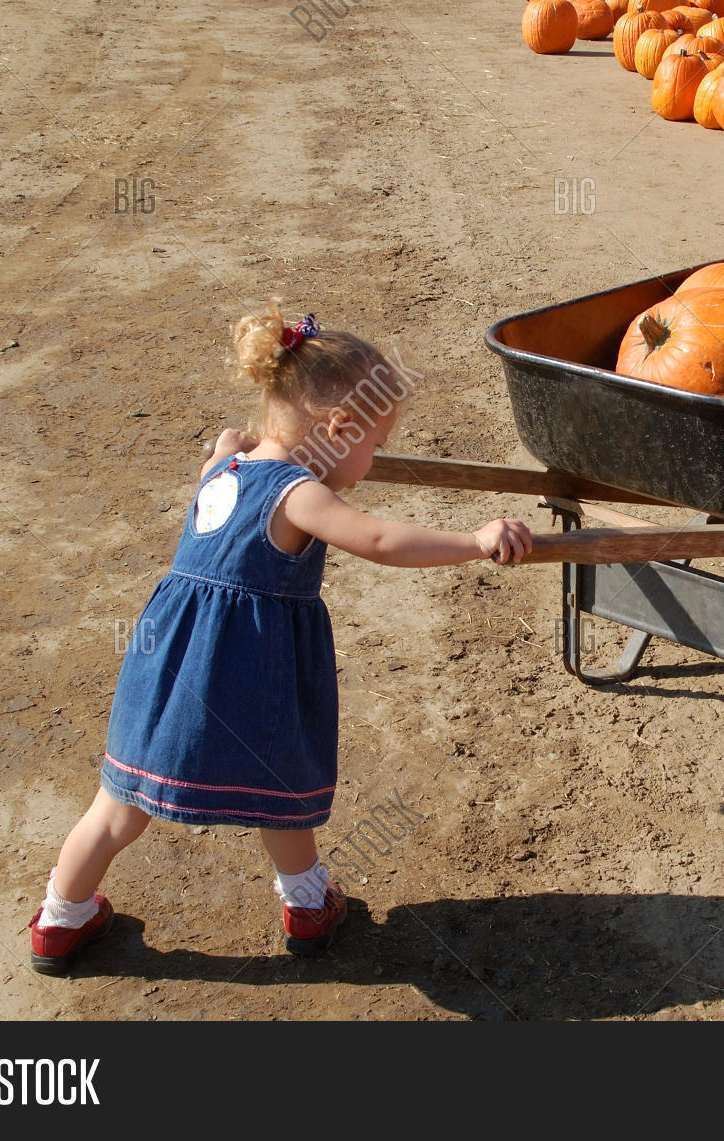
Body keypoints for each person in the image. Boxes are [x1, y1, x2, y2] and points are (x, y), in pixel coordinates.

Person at [27, 304, 532, 974]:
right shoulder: (299, 494)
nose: (373, 459)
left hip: (167, 667)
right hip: (248, 675)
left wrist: (225, 447)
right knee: (283, 794)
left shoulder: (222, 476)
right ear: (338, 428)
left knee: (117, 807)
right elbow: (379, 540)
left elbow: (226, 451)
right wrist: (472, 541)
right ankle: (306, 903)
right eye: (374, 443)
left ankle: (61, 917)